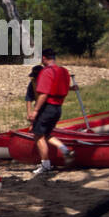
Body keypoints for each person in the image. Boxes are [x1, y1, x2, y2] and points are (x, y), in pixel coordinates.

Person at [28, 48, 75, 176]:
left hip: (47, 107)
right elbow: (61, 87)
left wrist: (35, 111)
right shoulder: (64, 71)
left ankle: (45, 165)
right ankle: (64, 149)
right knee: (46, 133)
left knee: (38, 135)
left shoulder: (46, 72)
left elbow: (44, 93)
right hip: (58, 108)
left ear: (44, 58)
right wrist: (72, 88)